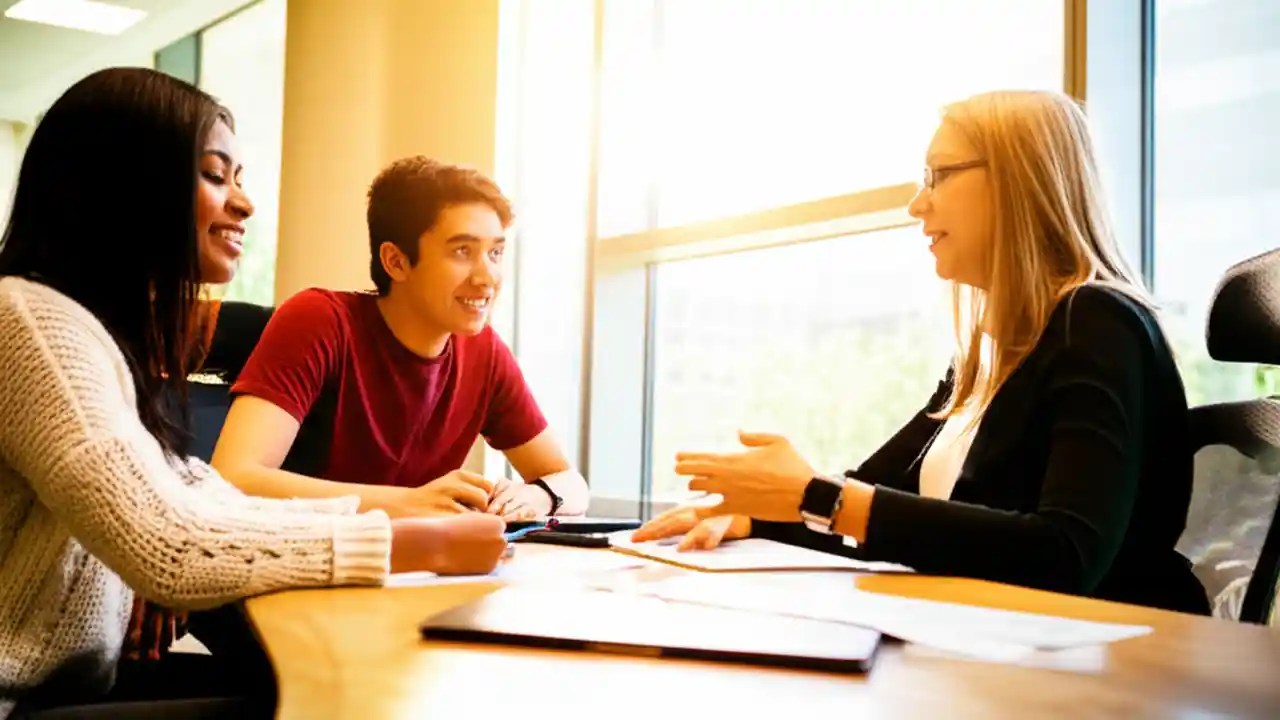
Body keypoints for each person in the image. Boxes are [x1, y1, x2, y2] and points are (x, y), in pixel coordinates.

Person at [0, 67, 507, 718]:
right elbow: (171, 544)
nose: (244, 204)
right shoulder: (32, 323)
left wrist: (410, 521)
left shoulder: (95, 335)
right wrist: (417, 542)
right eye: (215, 176)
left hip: (68, 688)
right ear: (126, 185)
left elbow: (200, 498)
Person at [634, 90, 1210, 615]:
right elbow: (881, 496)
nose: (917, 204)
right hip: (988, 642)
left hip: (1106, 669)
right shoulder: (985, 357)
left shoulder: (1097, 321)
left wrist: (814, 497)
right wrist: (758, 515)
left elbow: (1065, 555)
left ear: (1017, 179)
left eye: (938, 176)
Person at [210, 157, 589, 521]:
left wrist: (538, 495)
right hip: (301, 570)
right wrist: (411, 503)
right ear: (396, 261)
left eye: (495, 252)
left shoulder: (484, 352)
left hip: (414, 571)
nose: (487, 276)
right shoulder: (319, 319)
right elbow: (234, 478)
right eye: (462, 251)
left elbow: (571, 483)